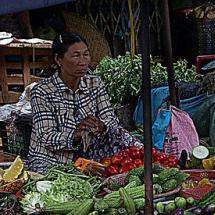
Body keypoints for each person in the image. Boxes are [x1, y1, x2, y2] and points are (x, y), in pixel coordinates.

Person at [27, 32, 140, 174]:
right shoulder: (42, 92)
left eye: (86, 54)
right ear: (58, 59)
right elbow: (47, 137)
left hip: (88, 156)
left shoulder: (95, 83)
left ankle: (149, 162)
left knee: (120, 134)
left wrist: (101, 125)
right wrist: (76, 134)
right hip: (52, 159)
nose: (83, 61)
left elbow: (111, 120)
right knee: (54, 178)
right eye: (76, 56)